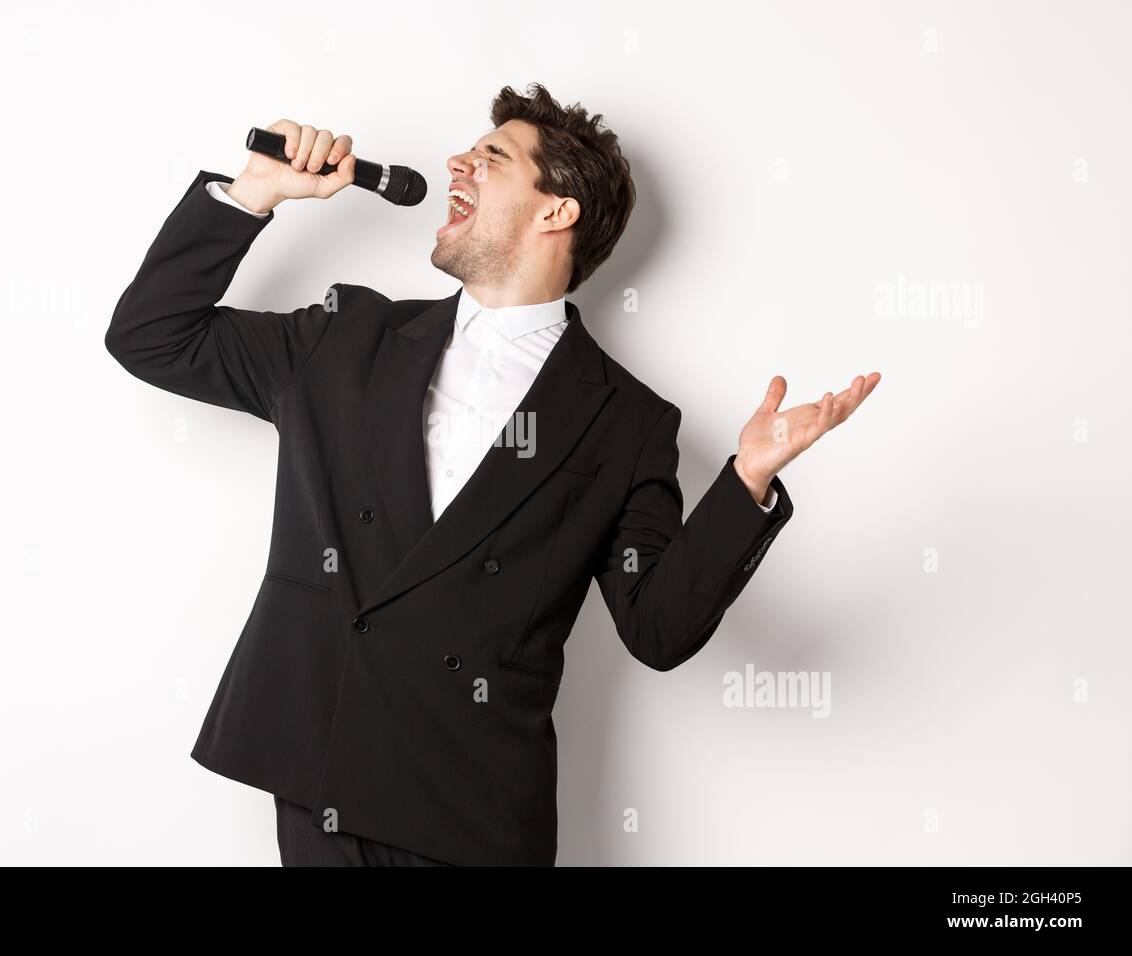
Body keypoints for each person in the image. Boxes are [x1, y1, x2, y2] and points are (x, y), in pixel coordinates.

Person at [105, 83, 879, 866]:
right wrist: (254, 193)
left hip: (472, 812)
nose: (457, 163)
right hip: (321, 769)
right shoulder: (346, 336)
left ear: (557, 210)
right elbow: (151, 336)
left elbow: (658, 630)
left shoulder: (628, 422)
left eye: (491, 157)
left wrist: (746, 480)